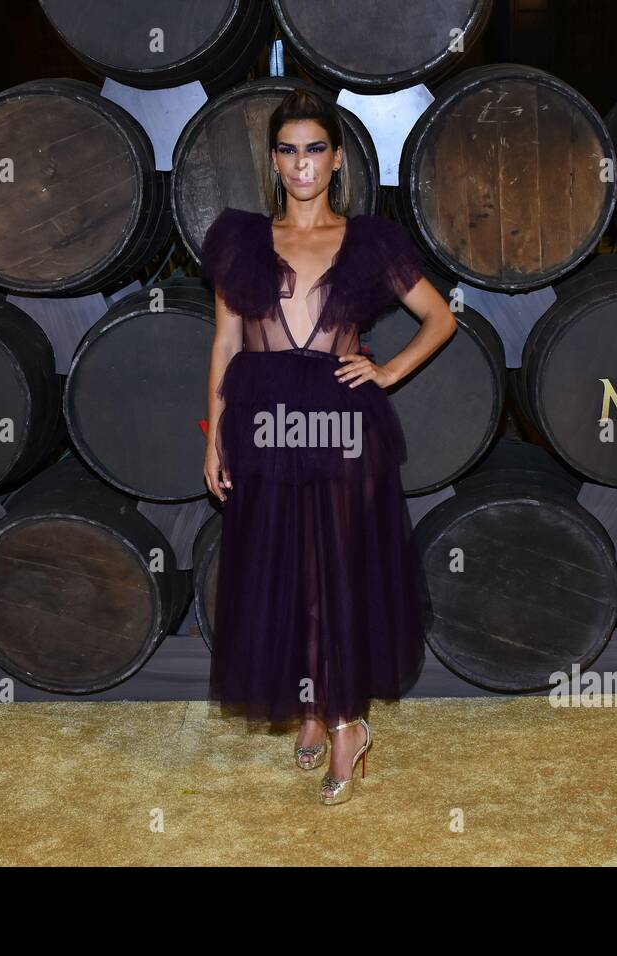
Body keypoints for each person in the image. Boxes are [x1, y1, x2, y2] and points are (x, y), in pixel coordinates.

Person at [200, 88, 457, 806]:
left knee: (336, 573)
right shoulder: (240, 239)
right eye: (288, 149)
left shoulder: (369, 240)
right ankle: (310, 703)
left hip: (343, 427)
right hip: (260, 424)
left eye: (315, 148)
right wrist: (214, 433)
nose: (301, 163)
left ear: (337, 159)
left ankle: (348, 723)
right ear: (274, 159)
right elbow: (224, 342)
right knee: (284, 568)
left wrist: (386, 370)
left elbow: (440, 319)